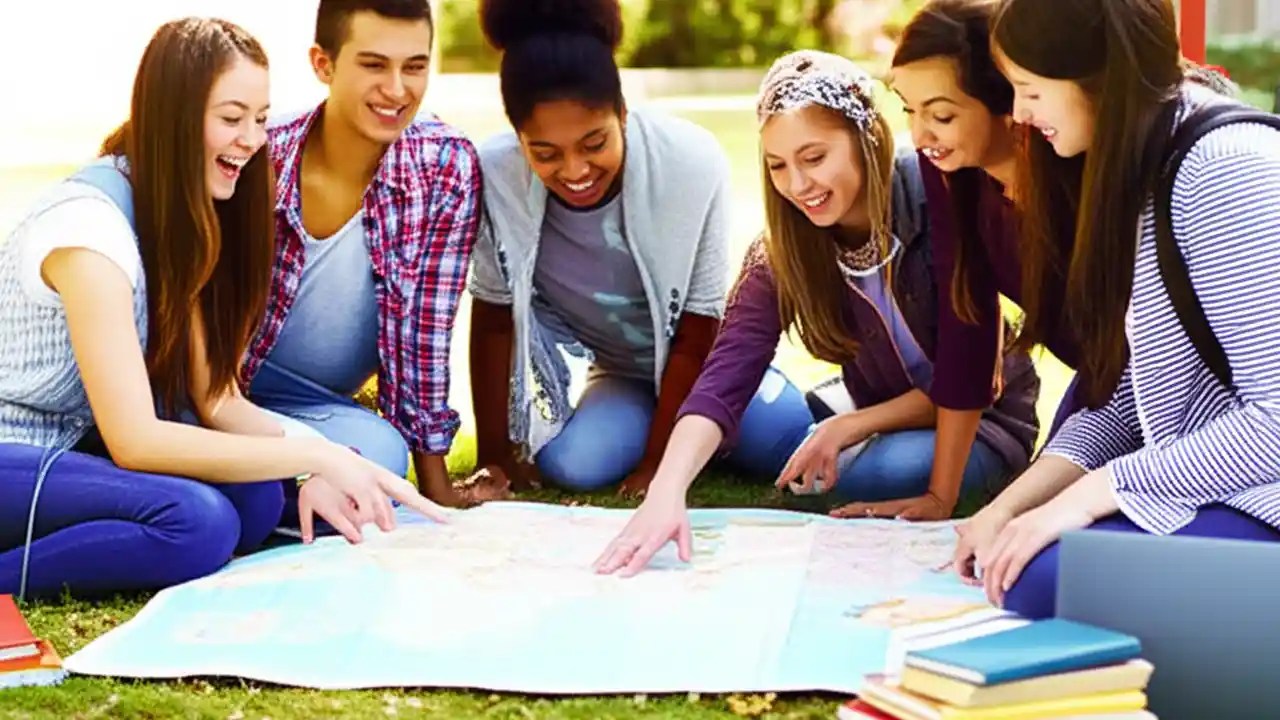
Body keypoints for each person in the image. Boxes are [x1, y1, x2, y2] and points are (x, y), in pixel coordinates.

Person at [0, 18, 445, 601]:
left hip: (76, 452)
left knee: (255, 498)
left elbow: (216, 399)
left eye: (260, 119)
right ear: (175, 117)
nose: (253, 140)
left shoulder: (174, 215)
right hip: (18, 449)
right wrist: (310, 452)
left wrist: (328, 463)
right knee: (198, 524)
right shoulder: (90, 234)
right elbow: (135, 441)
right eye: (232, 119)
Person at [594, 50, 1041, 577]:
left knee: (885, 473)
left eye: (814, 157)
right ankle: (802, 442)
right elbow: (725, 373)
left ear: (865, 137)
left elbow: (970, 377)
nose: (798, 184)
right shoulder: (785, 249)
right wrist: (666, 492)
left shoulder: (935, 195)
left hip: (981, 426)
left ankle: (822, 442)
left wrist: (851, 426)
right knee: (735, 418)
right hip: (866, 411)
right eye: (778, 166)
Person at [953, 0, 1280, 619]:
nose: (1019, 114)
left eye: (1030, 90)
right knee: (1026, 559)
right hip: (1226, 480)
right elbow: (1137, 390)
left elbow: (1276, 420)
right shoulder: (1146, 163)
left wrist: (1092, 495)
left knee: (1048, 579)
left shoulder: (1224, 170)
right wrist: (1012, 505)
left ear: (1099, 77)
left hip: (1261, 486)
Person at [467, 0, 731, 497]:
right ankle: (659, 426)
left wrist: (658, 464)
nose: (574, 171)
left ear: (623, 114)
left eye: (594, 144)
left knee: (777, 439)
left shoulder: (690, 161)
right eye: (545, 153)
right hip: (622, 375)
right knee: (574, 466)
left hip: (712, 368)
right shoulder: (496, 175)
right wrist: (494, 457)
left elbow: (700, 327)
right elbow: (494, 316)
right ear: (519, 138)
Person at [239, 0, 483, 514]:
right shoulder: (263, 154)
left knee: (384, 456)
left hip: (318, 410)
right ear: (323, 64)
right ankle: (252, 484)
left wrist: (435, 485)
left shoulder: (445, 167)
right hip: (221, 392)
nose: (397, 89)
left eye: (414, 67)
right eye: (374, 65)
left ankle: (258, 484)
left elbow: (427, 330)